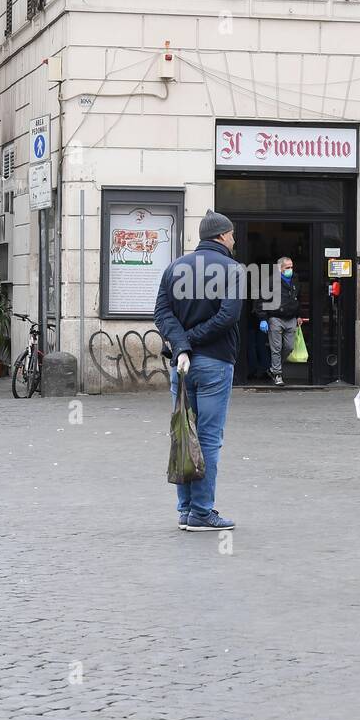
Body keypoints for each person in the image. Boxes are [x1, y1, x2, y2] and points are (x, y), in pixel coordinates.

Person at [153, 210, 243, 533]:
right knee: (207, 437)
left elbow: (161, 312)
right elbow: (228, 317)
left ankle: (186, 509)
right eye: (231, 234)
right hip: (215, 363)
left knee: (183, 432)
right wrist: (190, 341)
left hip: (182, 364)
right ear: (221, 236)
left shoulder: (175, 267)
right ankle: (202, 512)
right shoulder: (233, 269)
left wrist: (181, 345)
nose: (234, 240)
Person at [255, 255, 301, 387]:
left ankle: (273, 368)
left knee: (289, 346)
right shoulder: (270, 282)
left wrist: (298, 315)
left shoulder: (295, 280)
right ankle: (277, 375)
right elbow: (260, 301)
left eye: (291, 267)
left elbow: (298, 298)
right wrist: (263, 319)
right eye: (288, 267)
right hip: (275, 318)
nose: (290, 269)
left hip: (291, 318)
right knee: (276, 348)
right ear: (280, 269)